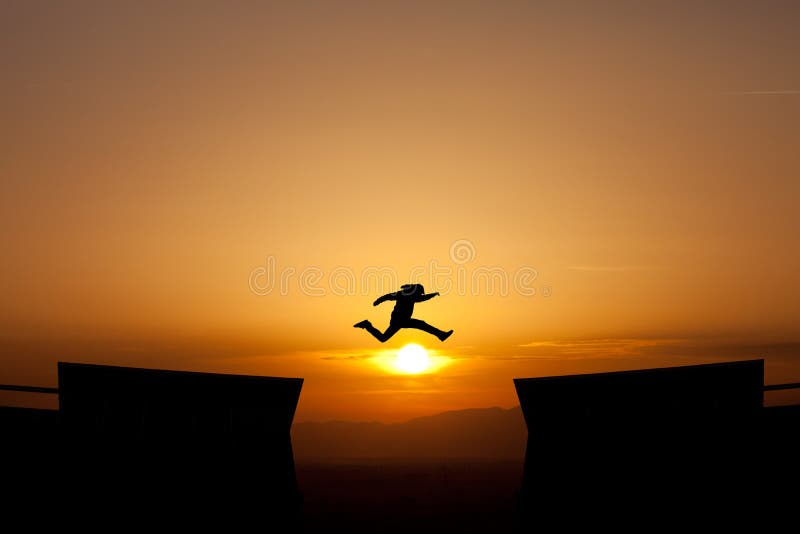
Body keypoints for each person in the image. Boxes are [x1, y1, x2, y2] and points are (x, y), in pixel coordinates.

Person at [353, 284, 453, 342]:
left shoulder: (409, 295)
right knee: (421, 324)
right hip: (400, 319)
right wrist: (378, 301)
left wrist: (432, 295)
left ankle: (367, 325)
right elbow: (388, 296)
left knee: (383, 338)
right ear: (415, 291)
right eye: (418, 293)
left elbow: (422, 298)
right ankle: (441, 335)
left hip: (397, 321)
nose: (419, 295)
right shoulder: (404, 294)